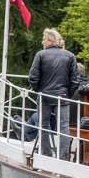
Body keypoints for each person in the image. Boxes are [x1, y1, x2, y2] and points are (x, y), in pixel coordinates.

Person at [27, 28, 80, 158]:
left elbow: (32, 77)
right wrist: (67, 93)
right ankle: (63, 157)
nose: (42, 42)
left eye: (44, 39)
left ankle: (46, 154)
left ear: (50, 39)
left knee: (43, 125)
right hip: (62, 96)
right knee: (63, 127)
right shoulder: (70, 55)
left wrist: (38, 91)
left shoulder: (40, 55)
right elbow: (75, 80)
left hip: (44, 96)